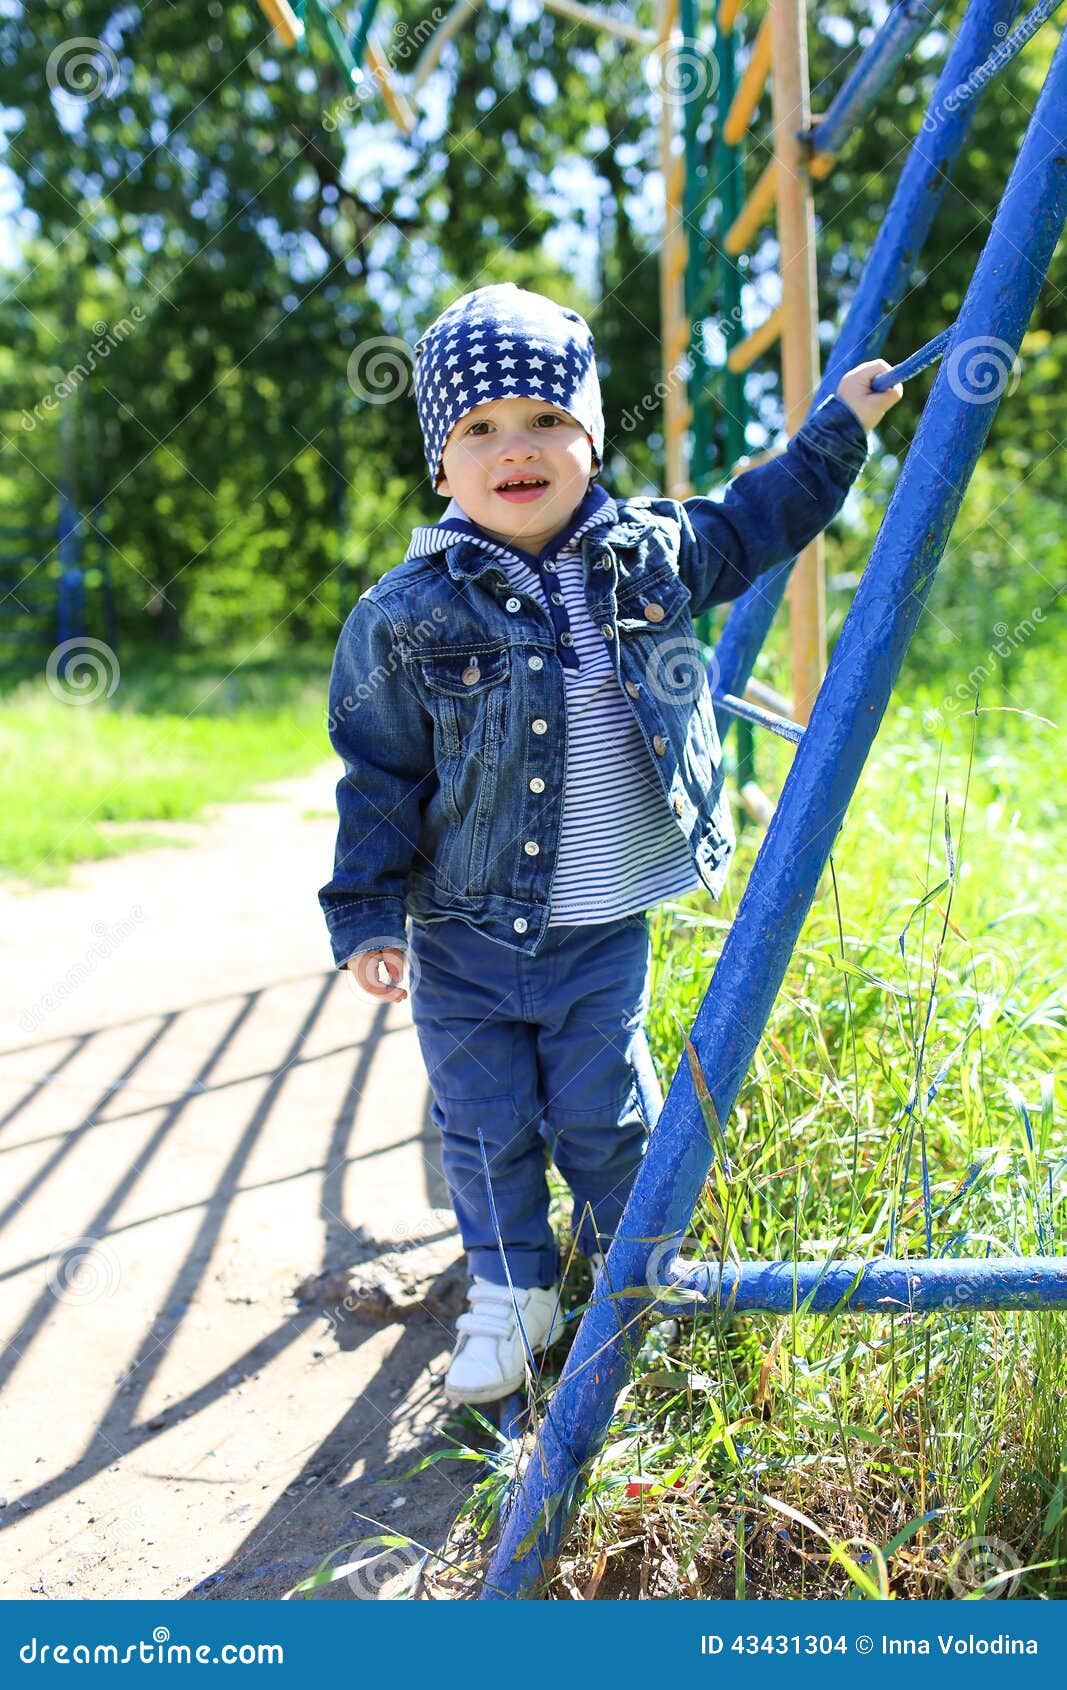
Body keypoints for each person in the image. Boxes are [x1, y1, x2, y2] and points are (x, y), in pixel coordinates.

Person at [318, 282, 902, 1405]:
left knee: (604, 1111)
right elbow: (379, 776)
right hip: (465, 931)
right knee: (482, 1119)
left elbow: (756, 517)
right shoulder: (404, 615)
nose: (514, 449)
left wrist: (838, 429)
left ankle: (628, 1274)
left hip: (598, 927)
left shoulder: (650, 554)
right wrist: (365, 913)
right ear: (442, 466)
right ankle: (508, 1291)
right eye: (478, 430)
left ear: (589, 437)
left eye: (544, 419)